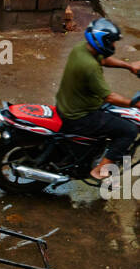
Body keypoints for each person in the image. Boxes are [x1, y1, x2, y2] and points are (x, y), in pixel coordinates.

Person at [55, 18, 140, 180]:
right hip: (79, 116)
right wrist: (134, 104)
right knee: (129, 130)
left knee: (115, 118)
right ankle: (100, 169)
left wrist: (129, 66)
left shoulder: (82, 49)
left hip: (69, 104)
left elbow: (103, 59)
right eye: (112, 43)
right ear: (101, 42)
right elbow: (109, 97)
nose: (114, 46)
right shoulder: (90, 67)